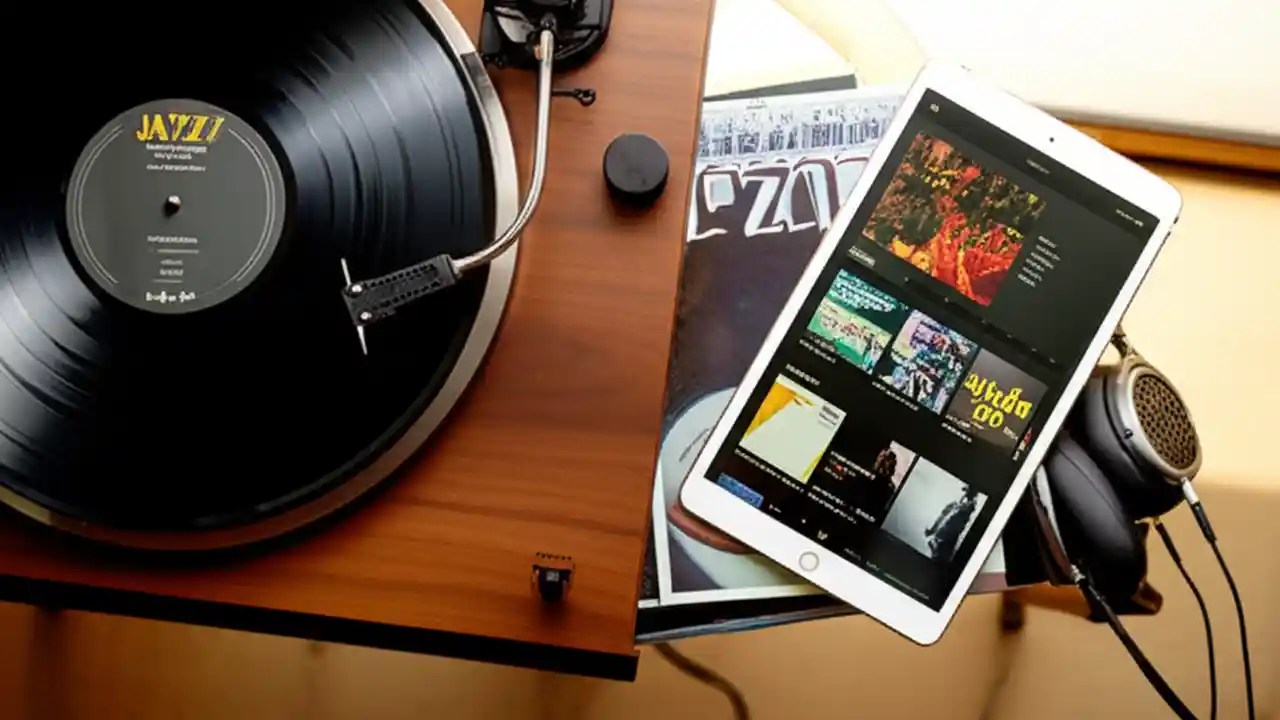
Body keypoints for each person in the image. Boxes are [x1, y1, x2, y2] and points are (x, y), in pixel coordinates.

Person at [925, 487, 979, 561]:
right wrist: (933, 530)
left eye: (967, 493)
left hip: (947, 539)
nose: (964, 496)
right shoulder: (955, 505)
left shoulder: (968, 506)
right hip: (942, 538)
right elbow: (943, 515)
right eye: (965, 493)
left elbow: (968, 508)